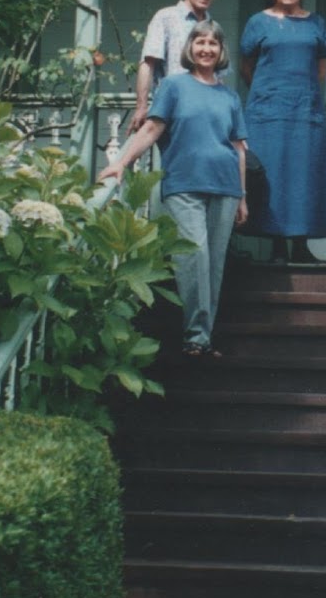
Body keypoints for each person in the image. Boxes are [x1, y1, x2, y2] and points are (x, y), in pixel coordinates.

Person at [101, 20, 247, 358]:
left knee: (214, 262)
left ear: (221, 50)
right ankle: (195, 334)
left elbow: (238, 148)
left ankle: (202, 337)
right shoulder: (174, 86)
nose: (206, 49)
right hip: (184, 183)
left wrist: (243, 196)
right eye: (200, 42)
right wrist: (121, 163)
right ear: (190, 48)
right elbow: (151, 129)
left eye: (213, 43)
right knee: (192, 254)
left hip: (225, 186)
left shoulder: (229, 96)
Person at [240, 0, 326, 263]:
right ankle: (277, 246)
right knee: (273, 175)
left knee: (304, 176)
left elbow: (320, 70)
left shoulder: (315, 23)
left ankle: (300, 244)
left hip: (304, 113)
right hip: (268, 113)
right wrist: (270, 92)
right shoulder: (259, 22)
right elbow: (247, 66)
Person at [127, 0, 222, 134]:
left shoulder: (213, 27)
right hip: (175, 110)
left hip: (207, 110)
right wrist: (141, 106)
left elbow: (218, 74)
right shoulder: (166, 17)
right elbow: (148, 63)